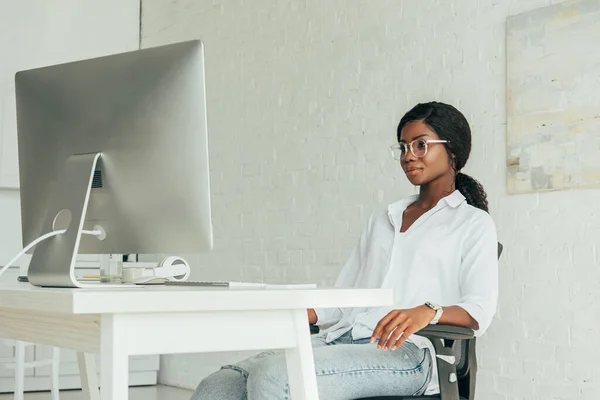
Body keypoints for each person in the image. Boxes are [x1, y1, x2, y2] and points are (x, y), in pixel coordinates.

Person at [192, 101, 499, 399]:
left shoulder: (473, 223)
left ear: (453, 151)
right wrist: (302, 312)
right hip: (342, 337)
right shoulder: (384, 219)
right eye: (403, 147)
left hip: (408, 351)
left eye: (420, 145)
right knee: (219, 385)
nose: (408, 156)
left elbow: (479, 311)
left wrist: (428, 312)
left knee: (277, 379)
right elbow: (347, 295)